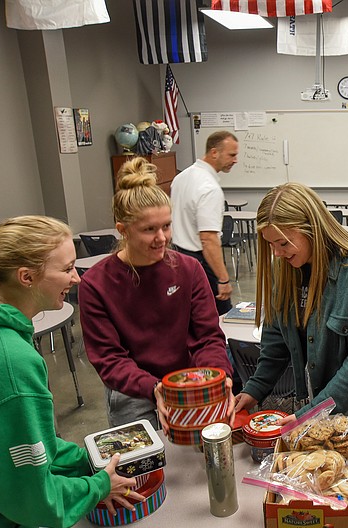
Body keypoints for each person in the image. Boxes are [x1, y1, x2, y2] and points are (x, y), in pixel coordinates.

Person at [0, 216, 142, 528]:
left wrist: (88, 461)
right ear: (26, 277)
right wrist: (99, 487)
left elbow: (34, 443)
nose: (76, 279)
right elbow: (32, 496)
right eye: (66, 269)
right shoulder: (10, 364)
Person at [232, 182, 348, 438]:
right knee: (340, 457)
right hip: (332, 382)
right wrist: (255, 388)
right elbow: (276, 340)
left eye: (283, 243)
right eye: (271, 244)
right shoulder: (285, 269)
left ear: (312, 230)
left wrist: (314, 411)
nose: (276, 253)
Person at [79, 157, 236, 430]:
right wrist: (154, 387)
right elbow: (109, 359)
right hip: (133, 391)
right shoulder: (96, 284)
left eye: (166, 225)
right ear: (123, 230)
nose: (162, 238)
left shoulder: (189, 269)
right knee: (145, 468)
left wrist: (218, 375)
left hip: (189, 381)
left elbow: (207, 337)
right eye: (149, 229)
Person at [171, 130, 239, 315]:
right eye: (231, 155)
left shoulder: (180, 178)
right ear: (214, 152)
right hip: (200, 261)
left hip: (178, 258)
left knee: (190, 315)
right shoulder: (209, 188)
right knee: (221, 316)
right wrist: (223, 279)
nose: (235, 160)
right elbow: (208, 239)